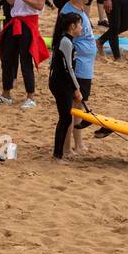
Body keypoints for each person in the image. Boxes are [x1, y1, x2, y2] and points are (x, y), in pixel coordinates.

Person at [0, 0, 50, 108]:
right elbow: (14, 3)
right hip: (15, 20)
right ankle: (6, 94)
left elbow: (39, 4)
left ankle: (30, 97)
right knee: (7, 58)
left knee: (26, 60)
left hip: (29, 23)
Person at [58, 0, 101, 138]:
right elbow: (65, 41)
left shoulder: (77, 9)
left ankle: (77, 143)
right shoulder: (70, 13)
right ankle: (70, 146)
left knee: (78, 108)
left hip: (85, 65)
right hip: (79, 66)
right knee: (74, 108)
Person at [48, 11, 83, 160]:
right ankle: (57, 155)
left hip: (62, 83)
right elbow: (68, 68)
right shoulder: (65, 42)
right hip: (59, 84)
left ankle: (58, 154)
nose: (81, 27)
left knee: (66, 118)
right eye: (80, 25)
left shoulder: (66, 40)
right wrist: (77, 89)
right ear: (72, 26)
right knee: (65, 118)